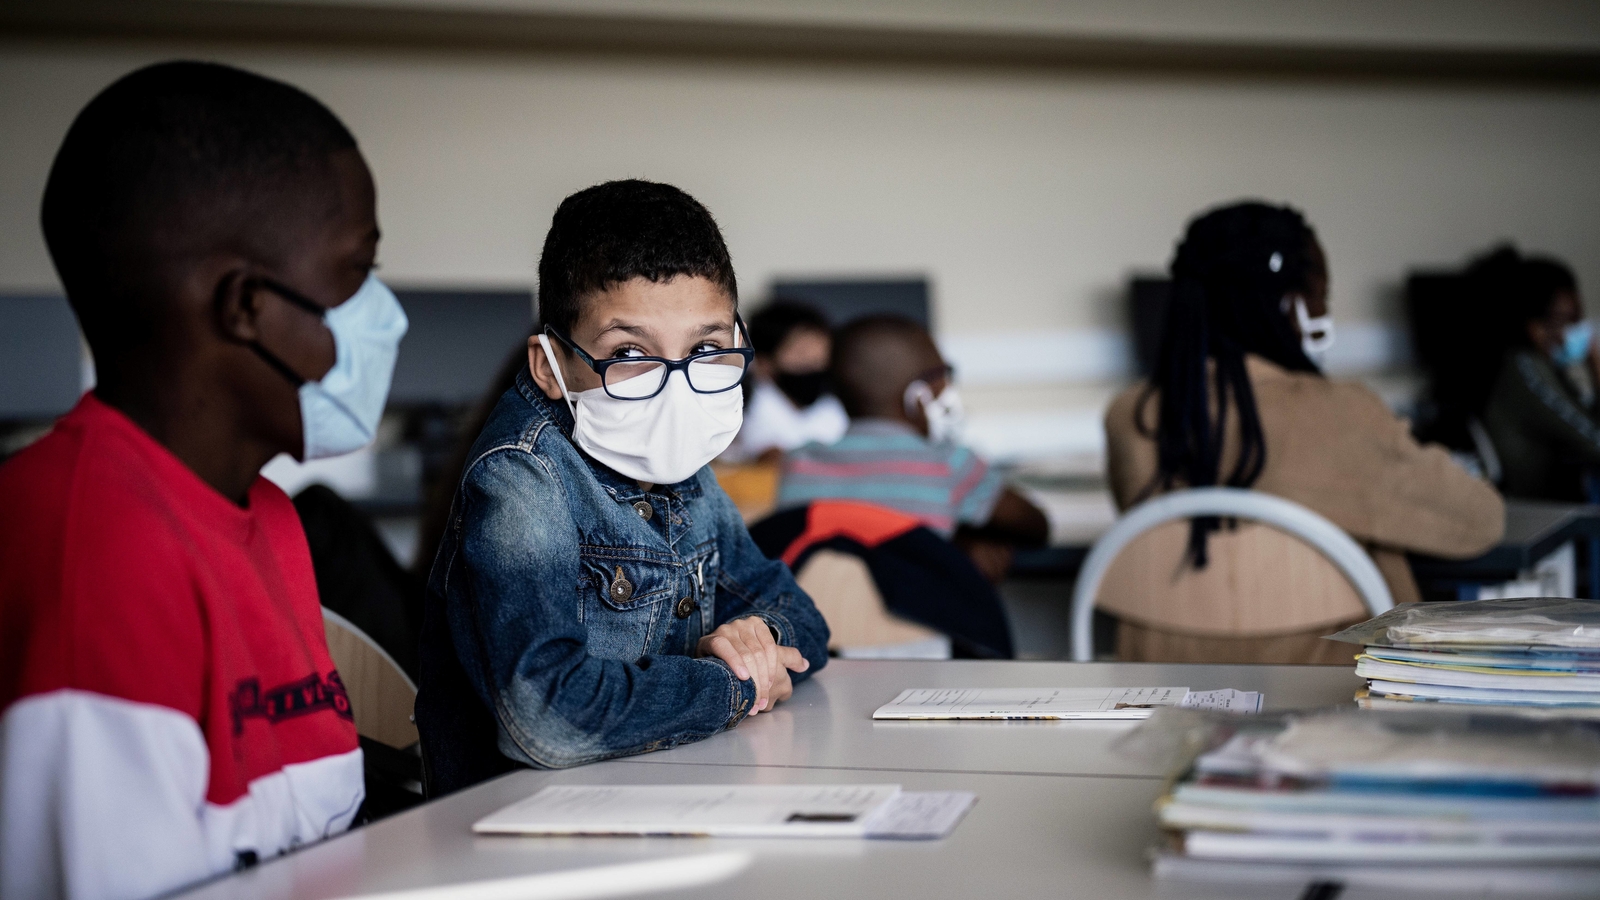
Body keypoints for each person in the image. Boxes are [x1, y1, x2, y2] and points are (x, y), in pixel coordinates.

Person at [1, 62, 406, 899]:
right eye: (354, 271)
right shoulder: (98, 557)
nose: (386, 314)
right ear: (244, 306)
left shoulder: (263, 513)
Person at [414, 180, 830, 795]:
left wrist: (760, 637)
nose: (676, 386)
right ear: (550, 366)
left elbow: (806, 621)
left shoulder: (675, 461)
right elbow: (549, 718)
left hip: (664, 795)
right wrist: (735, 683)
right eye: (631, 351)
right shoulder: (520, 478)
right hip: (518, 831)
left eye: (707, 347)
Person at [1102, 201, 1503, 664]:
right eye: (1322, 296)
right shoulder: (1340, 412)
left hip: (1167, 696)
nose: (1325, 311)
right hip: (1331, 698)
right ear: (1292, 305)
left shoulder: (1133, 416)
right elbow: (1479, 521)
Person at [775, 315, 1049, 582]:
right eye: (942, 375)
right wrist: (962, 537)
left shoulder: (798, 464)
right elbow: (1036, 526)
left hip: (813, 626)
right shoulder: (948, 462)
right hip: (923, 628)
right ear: (919, 395)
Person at [1482, 256, 1600, 501]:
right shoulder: (1526, 371)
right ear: (1535, 327)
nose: (1579, 330)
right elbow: (1593, 441)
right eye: (1567, 320)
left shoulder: (1548, 368)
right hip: (1539, 516)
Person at [722, 300, 848, 463]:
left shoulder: (838, 403)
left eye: (821, 357)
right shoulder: (741, 405)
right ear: (763, 363)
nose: (815, 366)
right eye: (801, 354)